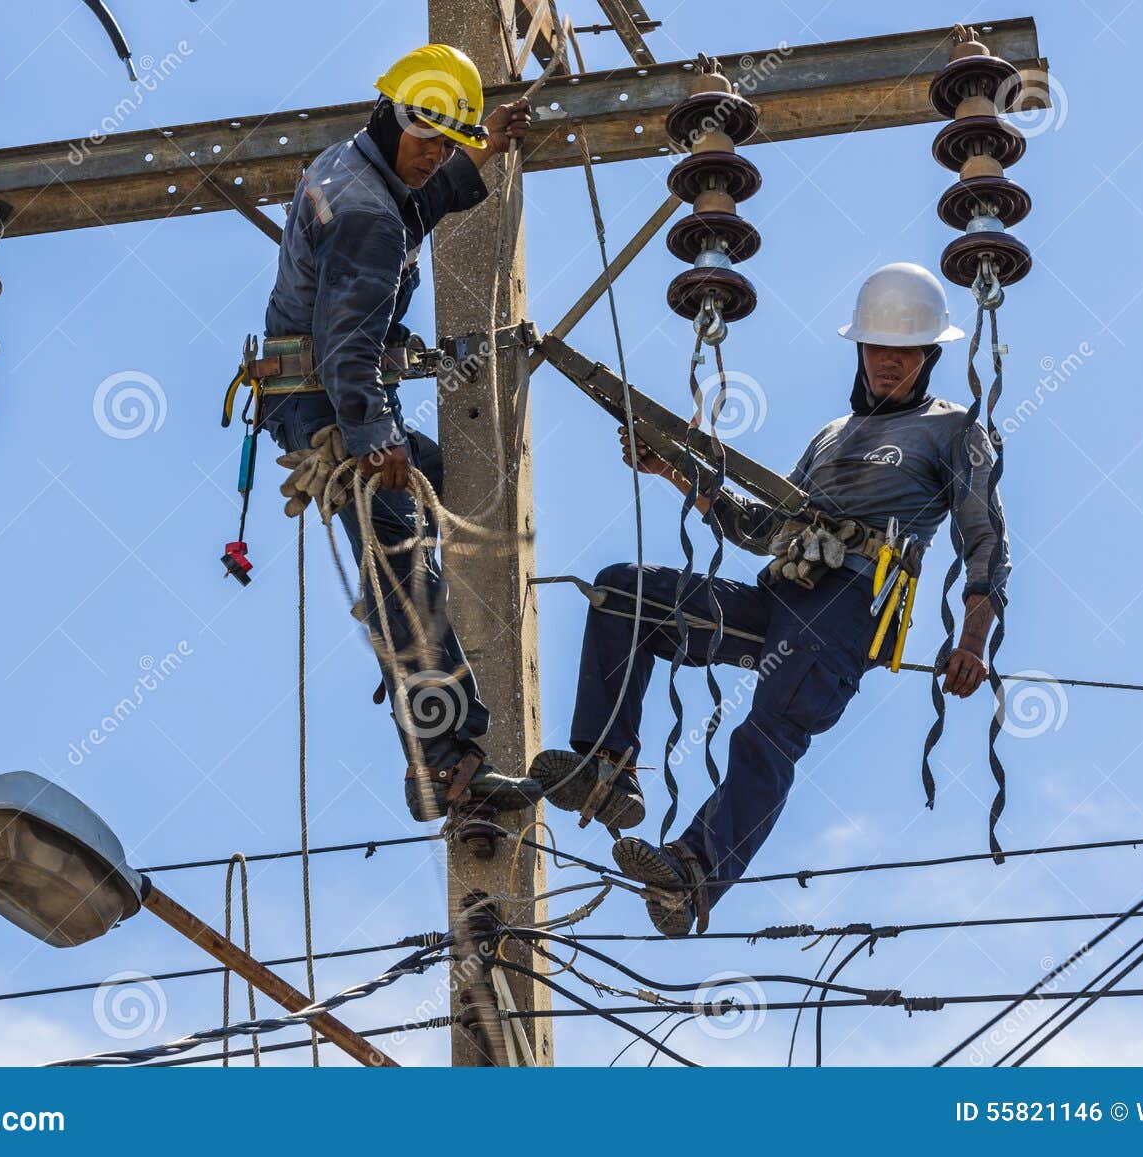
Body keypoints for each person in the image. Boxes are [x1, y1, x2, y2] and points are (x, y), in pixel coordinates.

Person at [529, 263, 1010, 934]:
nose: (890, 363)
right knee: (622, 592)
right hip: (783, 594)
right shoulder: (831, 436)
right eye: (878, 348)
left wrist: (972, 640)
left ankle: (694, 871)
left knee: (769, 725)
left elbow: (984, 538)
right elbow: (758, 529)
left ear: (930, 356)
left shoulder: (953, 430)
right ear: (860, 349)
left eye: (906, 351)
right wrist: (672, 468)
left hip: (850, 609)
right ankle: (606, 767)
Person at [259, 44, 540, 822]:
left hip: (313, 391)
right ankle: (443, 758)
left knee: (453, 487)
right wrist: (374, 434)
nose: (435, 159)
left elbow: (418, 199)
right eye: (429, 141)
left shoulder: (355, 163)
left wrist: (485, 150)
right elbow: (349, 343)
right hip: (333, 402)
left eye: (449, 144)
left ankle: (429, 696)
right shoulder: (366, 218)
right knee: (402, 563)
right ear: (395, 118)